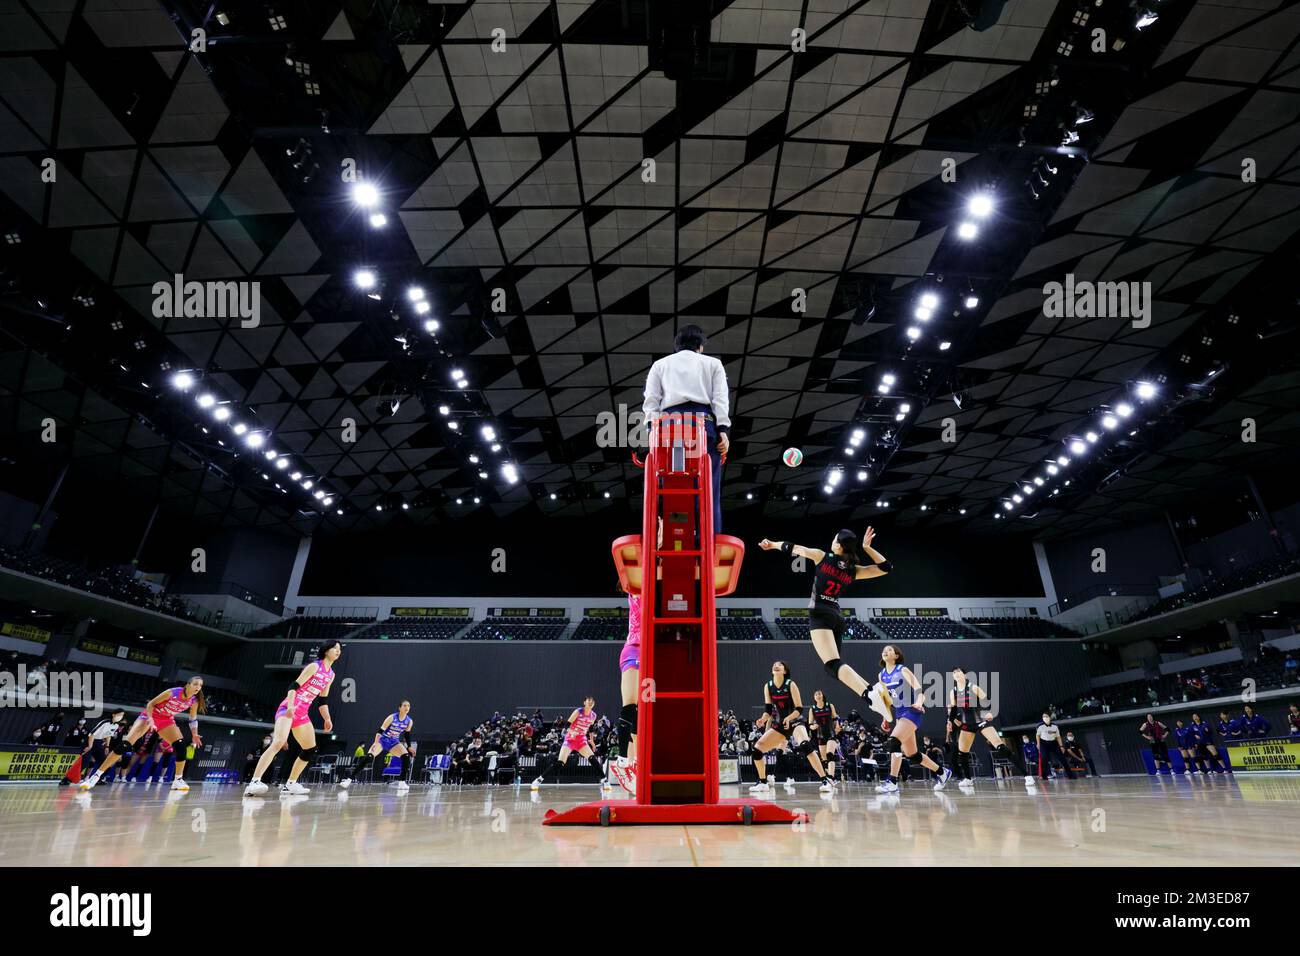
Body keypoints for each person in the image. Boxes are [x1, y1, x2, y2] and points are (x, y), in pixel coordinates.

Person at [757, 527, 895, 716]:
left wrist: (772, 544)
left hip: (820, 614)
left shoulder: (822, 556)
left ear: (838, 545)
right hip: (836, 617)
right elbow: (886, 568)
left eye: (834, 539)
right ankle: (871, 691)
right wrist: (867, 547)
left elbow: (794, 548)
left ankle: (870, 696)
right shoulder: (853, 570)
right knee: (835, 667)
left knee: (833, 665)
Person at [642, 323, 731, 531]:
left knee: (667, 485)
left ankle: (666, 535)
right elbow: (720, 399)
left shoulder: (660, 365)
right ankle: (709, 538)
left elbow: (651, 401)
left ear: (677, 346)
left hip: (668, 428)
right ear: (700, 346)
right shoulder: (713, 364)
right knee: (708, 487)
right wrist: (723, 430)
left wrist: (651, 432)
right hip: (703, 425)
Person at [244, 641, 340, 796]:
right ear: (326, 650)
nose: (338, 651)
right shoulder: (315, 666)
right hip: (288, 709)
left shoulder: (331, 675)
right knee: (279, 742)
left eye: (339, 649)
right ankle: (254, 781)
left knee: (309, 748)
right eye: (335, 648)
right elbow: (293, 686)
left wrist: (327, 719)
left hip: (302, 713)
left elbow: (323, 701)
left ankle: (290, 784)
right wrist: (290, 706)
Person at [80, 678, 205, 792]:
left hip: (166, 719)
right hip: (149, 715)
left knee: (181, 746)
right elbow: (151, 704)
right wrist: (150, 719)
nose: (198, 687)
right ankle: (95, 776)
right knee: (125, 745)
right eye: (195, 684)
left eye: (200, 685)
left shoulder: (194, 701)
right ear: (188, 685)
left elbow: (192, 719)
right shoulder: (172, 692)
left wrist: (194, 734)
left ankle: (177, 780)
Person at [874, 645, 950, 794]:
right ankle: (942, 772)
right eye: (884, 649)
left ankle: (892, 781)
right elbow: (887, 699)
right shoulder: (881, 675)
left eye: (890, 650)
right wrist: (885, 716)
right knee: (912, 754)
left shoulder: (902, 670)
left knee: (894, 741)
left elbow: (920, 691)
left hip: (912, 711)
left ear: (896, 655)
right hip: (899, 714)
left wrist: (919, 702)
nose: (886, 651)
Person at [748, 662, 832, 794]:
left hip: (795, 721)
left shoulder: (790, 684)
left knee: (805, 745)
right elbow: (768, 711)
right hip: (780, 725)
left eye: (780, 665)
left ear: (785, 671)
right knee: (757, 750)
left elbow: (799, 709)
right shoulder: (768, 686)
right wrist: (763, 719)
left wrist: (789, 718)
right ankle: (763, 782)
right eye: (774, 664)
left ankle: (825, 780)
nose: (776, 665)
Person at [947, 666, 1034, 788]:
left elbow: (987, 701)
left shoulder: (973, 687)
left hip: (981, 720)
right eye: (954, 672)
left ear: (964, 675)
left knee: (1000, 747)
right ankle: (967, 779)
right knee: (962, 753)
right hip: (967, 724)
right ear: (952, 676)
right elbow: (954, 709)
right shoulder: (953, 692)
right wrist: (950, 721)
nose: (956, 673)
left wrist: (989, 712)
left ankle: (1027, 776)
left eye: (959, 671)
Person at [530, 697, 610, 792]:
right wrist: (571, 732)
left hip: (582, 741)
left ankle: (604, 780)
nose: (591, 702)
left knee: (593, 759)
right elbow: (567, 725)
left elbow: (591, 728)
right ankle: (538, 780)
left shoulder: (593, 715)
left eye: (592, 701)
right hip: (570, 740)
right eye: (589, 700)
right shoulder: (578, 711)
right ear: (584, 702)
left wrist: (592, 741)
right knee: (560, 763)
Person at [342, 700, 415, 791]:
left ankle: (402, 782)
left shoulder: (409, 721)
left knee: (406, 756)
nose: (407, 707)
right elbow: (380, 731)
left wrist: (409, 746)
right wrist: (376, 743)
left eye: (408, 706)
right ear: (400, 708)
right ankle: (349, 780)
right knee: (369, 757)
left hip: (394, 742)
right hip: (382, 740)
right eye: (404, 705)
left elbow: (407, 734)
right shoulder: (392, 717)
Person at [808, 689, 842, 786]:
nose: (818, 696)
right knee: (824, 759)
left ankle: (830, 777)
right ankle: (832, 778)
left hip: (831, 733)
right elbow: (810, 723)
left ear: (822, 695)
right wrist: (812, 727)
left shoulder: (829, 706)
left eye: (819, 694)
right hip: (820, 735)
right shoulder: (812, 709)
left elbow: (835, 718)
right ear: (814, 698)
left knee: (829, 754)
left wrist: (837, 726)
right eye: (816, 695)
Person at [1035, 713, 1074, 780]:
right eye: (1043, 716)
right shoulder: (1040, 726)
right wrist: (1038, 744)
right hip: (1043, 743)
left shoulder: (1055, 726)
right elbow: (1037, 735)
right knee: (1044, 759)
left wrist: (1061, 746)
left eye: (1046, 716)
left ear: (1050, 717)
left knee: (1062, 758)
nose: (1045, 718)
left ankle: (1070, 775)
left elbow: (1058, 736)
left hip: (1053, 743)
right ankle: (1044, 776)